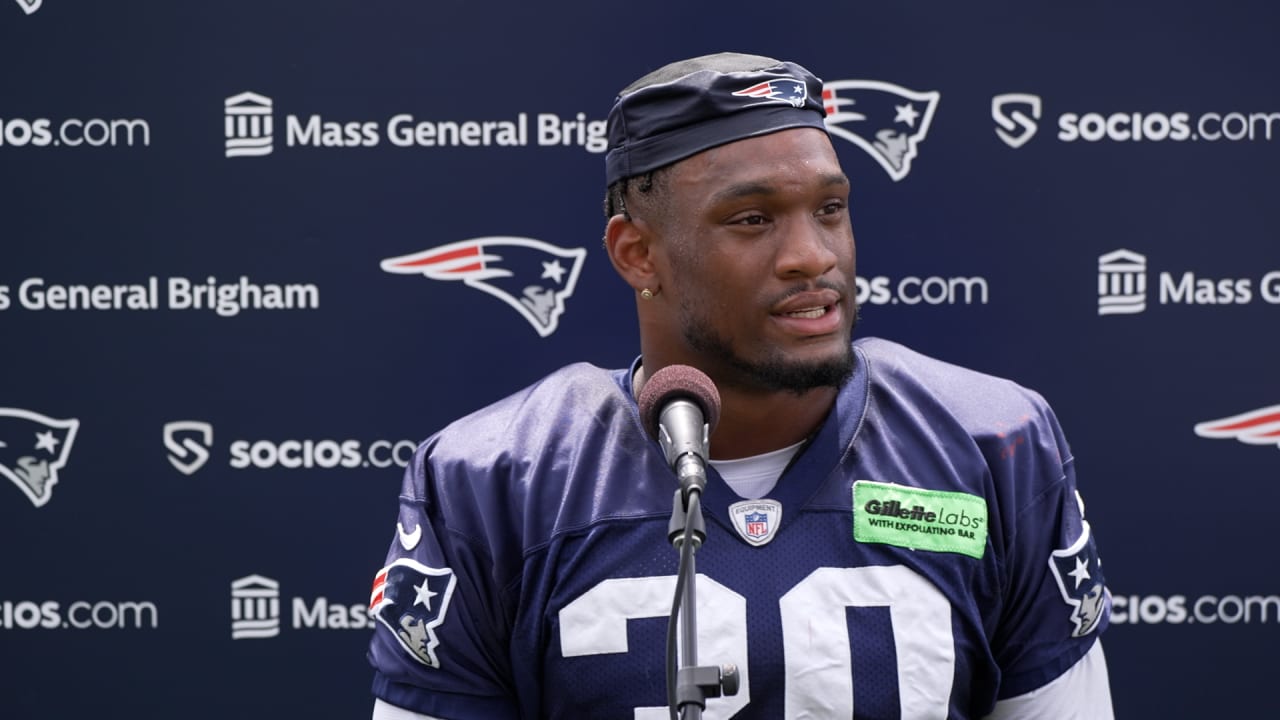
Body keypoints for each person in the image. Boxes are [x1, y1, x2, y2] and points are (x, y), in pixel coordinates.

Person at [366, 52, 1114, 719]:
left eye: (830, 209)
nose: (810, 256)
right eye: (752, 219)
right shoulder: (497, 480)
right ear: (638, 255)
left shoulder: (993, 443)